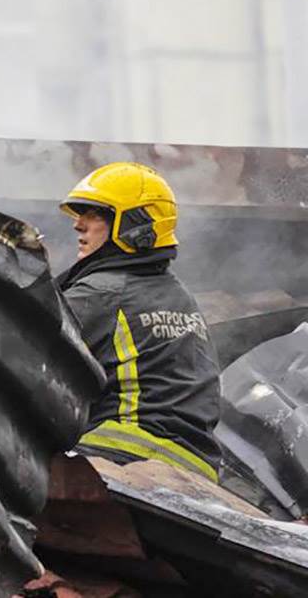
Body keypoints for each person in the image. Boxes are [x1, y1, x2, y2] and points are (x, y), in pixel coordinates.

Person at [57, 161, 221, 481]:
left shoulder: (101, 292)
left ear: (134, 224)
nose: (79, 225)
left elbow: (24, 356)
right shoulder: (180, 296)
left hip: (126, 455)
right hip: (199, 467)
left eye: (95, 214)